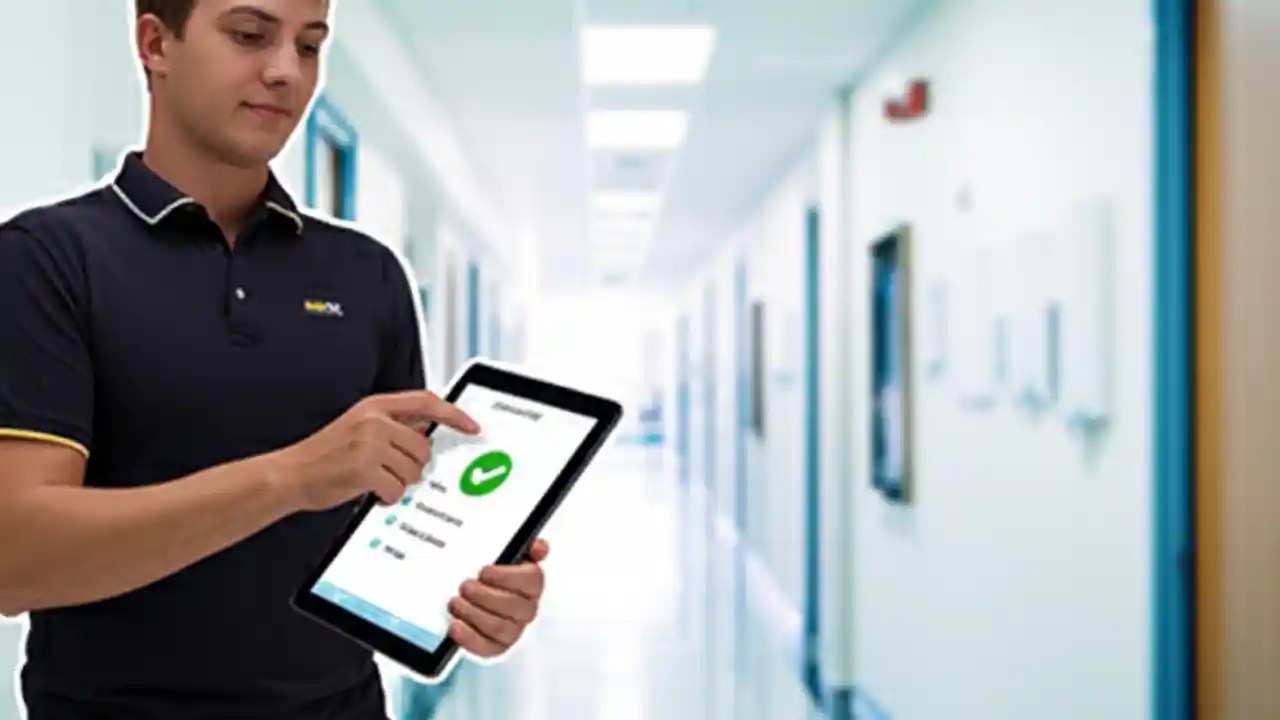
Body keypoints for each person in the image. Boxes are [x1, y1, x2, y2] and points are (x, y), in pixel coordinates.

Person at [0, 1, 550, 717]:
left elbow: (404, 528)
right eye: (250, 35)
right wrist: (292, 476)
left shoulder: (369, 275)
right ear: (154, 43)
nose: (286, 71)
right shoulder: (47, 260)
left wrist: (475, 599)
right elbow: (15, 556)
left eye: (310, 44)